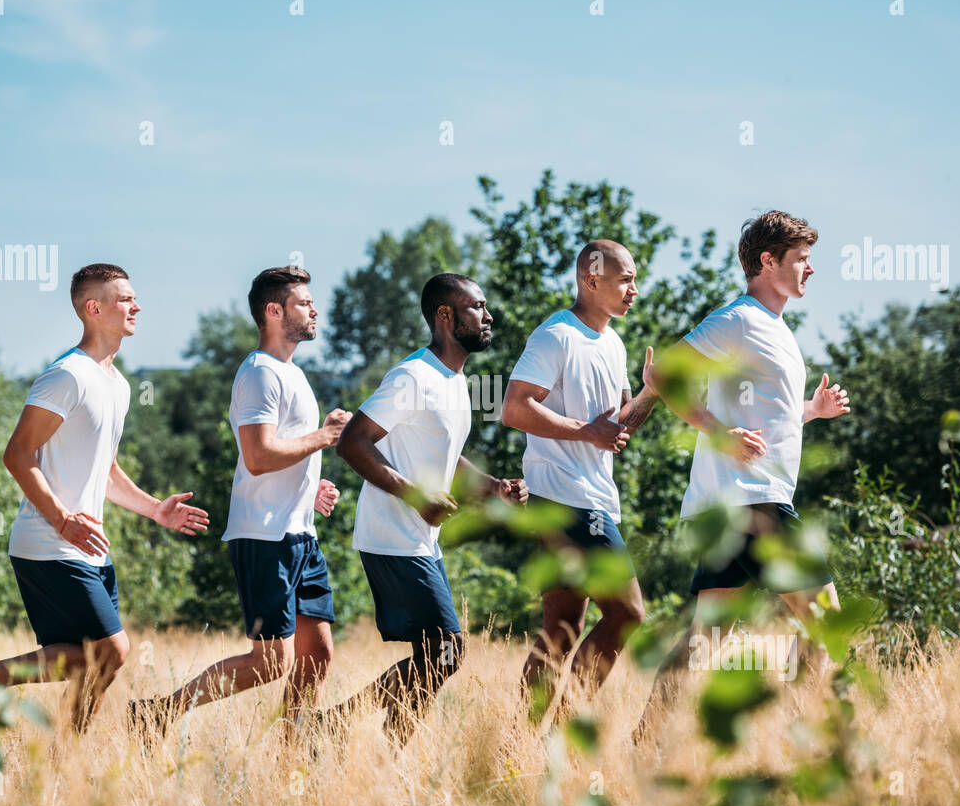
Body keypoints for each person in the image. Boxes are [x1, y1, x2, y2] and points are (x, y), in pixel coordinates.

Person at [0, 263, 210, 733]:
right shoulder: (66, 376)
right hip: (48, 541)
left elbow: (105, 471)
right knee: (113, 650)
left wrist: (155, 509)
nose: (136, 306)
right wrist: (62, 519)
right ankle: (45, 734)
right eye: (124, 298)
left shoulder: (118, 384)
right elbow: (17, 453)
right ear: (94, 308)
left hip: (90, 545)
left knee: (86, 659)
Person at [634, 210, 851, 743]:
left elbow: (768, 419)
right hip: (754, 502)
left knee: (704, 639)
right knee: (828, 623)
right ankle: (803, 743)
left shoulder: (776, 329)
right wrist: (719, 432)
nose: (810, 269)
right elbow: (663, 374)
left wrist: (810, 412)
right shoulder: (739, 319)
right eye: (801, 259)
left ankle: (643, 743)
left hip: (738, 504)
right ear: (767, 261)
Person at [128, 266, 350, 740]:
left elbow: (284, 450)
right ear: (274, 311)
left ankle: (291, 752)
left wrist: (311, 486)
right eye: (303, 303)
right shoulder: (258, 374)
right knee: (271, 662)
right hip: (264, 537)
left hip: (301, 537)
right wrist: (325, 437)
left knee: (319, 655)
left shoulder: (293, 373)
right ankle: (160, 713)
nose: (315, 310)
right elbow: (257, 455)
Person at [324, 273, 526, 747]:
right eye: (476, 306)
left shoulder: (454, 381)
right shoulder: (412, 376)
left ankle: (391, 758)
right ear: (445, 316)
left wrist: (493, 487)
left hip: (420, 540)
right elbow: (353, 444)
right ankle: (330, 727)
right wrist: (417, 496)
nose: (488, 315)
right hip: (391, 535)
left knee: (432, 656)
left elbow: (443, 454)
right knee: (448, 652)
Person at [502, 240, 659, 715]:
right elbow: (513, 408)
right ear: (592, 280)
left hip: (590, 497)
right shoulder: (556, 335)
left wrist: (653, 393)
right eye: (625, 279)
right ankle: (569, 726)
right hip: (565, 498)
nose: (635, 289)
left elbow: (619, 425)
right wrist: (585, 431)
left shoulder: (614, 342)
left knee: (561, 630)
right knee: (628, 612)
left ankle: (517, 747)